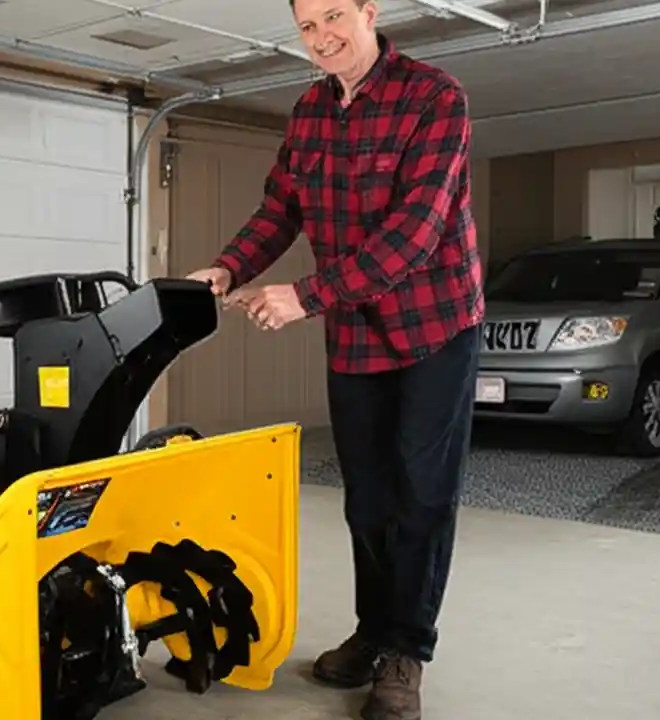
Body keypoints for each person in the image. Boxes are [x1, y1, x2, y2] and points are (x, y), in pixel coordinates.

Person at [184, 1, 483, 718]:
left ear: (369, 10)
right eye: (307, 27)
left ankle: (405, 652)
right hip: (354, 328)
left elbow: (416, 233)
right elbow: (280, 209)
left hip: (434, 326)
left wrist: (303, 296)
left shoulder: (435, 98)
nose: (322, 38)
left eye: (334, 16)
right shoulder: (311, 110)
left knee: (421, 493)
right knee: (367, 497)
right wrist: (226, 268)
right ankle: (373, 629)